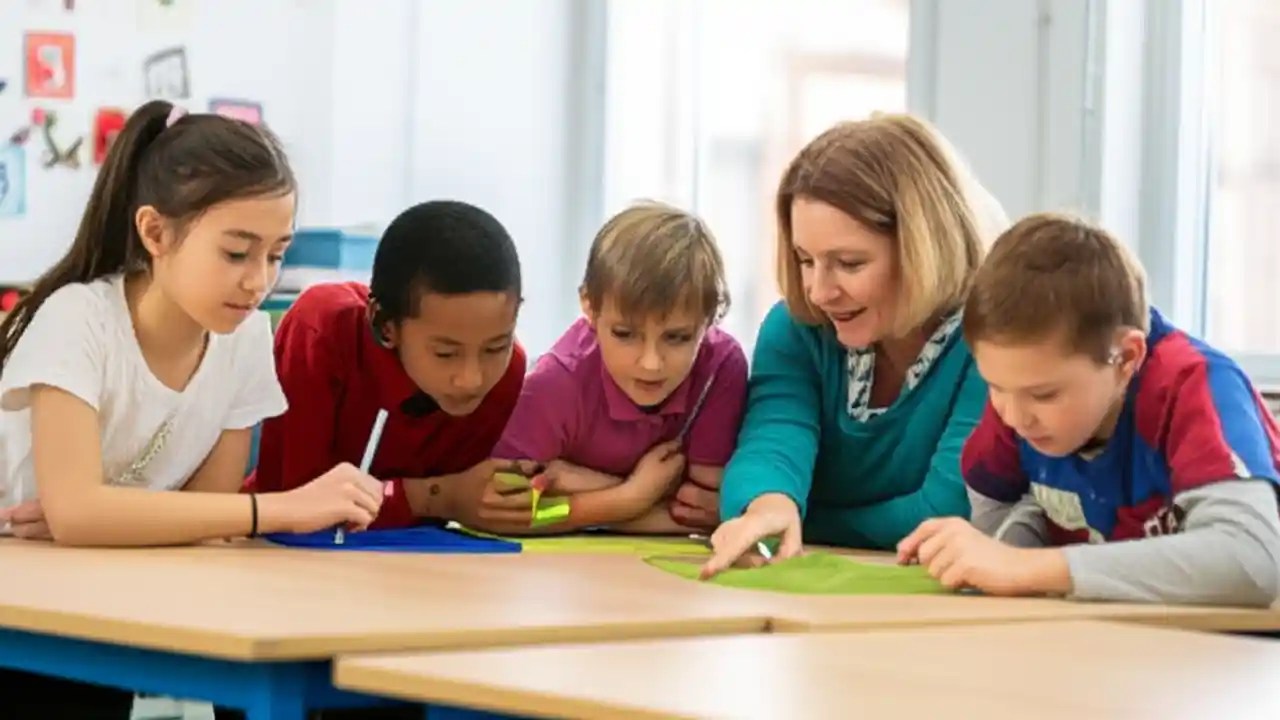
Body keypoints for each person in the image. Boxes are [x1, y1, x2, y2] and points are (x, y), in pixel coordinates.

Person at [0, 102, 382, 718]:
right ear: (155, 233)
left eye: (276, 254)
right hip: (21, 590)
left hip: (102, 586)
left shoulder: (247, 339)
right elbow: (76, 513)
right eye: (237, 253)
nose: (259, 281)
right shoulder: (78, 318)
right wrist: (283, 508)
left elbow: (209, 520)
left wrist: (113, 515)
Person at [897, 213, 1280, 607]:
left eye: (1044, 395)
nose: (1013, 417)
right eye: (995, 386)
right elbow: (1003, 509)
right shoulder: (1022, 394)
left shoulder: (1196, 384)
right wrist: (1005, 551)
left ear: (1126, 358)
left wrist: (1032, 568)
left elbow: (1251, 562)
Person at [703, 114, 1008, 577]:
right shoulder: (794, 328)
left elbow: (949, 510)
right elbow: (773, 438)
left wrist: (806, 517)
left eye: (848, 263)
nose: (819, 291)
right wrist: (768, 506)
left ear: (923, 248)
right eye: (805, 260)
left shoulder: (995, 337)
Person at [246, 200, 527, 532]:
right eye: (445, 354)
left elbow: (503, 505)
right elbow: (301, 506)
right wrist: (436, 497)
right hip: (271, 554)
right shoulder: (322, 331)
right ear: (384, 324)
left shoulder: (511, 370)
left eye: (496, 347)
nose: (471, 379)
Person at [489, 201, 747, 534]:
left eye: (678, 338)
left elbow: (704, 511)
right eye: (625, 334)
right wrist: (630, 498)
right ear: (589, 307)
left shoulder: (720, 369)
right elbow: (505, 512)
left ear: (710, 320)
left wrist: (583, 486)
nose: (651, 363)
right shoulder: (555, 384)